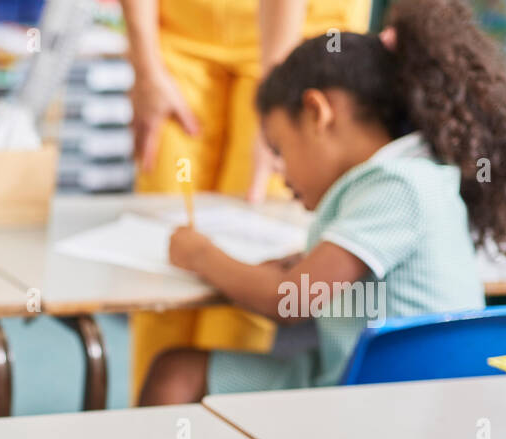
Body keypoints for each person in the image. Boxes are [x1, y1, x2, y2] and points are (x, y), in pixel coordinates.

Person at [139, 0, 506, 404]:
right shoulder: (411, 173)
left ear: (316, 113)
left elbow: (289, 300)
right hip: (383, 385)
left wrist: (200, 254)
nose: (280, 170)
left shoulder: (396, 185)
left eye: (280, 147)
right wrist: (306, 258)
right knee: (178, 369)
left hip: (385, 402)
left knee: (176, 373)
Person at [121, 0, 372, 403]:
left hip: (298, 34)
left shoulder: (387, 190)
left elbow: (287, 298)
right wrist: (146, 68)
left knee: (255, 245)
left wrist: (275, 104)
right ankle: (161, 436)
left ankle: (226, 430)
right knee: (161, 266)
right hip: (186, 33)